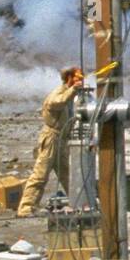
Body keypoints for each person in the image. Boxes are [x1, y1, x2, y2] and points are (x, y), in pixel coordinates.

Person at [16, 66, 83, 217]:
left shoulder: (70, 95)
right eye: (77, 78)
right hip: (52, 139)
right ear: (69, 78)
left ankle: (79, 202)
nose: (80, 80)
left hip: (62, 139)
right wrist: (73, 90)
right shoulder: (59, 93)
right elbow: (56, 103)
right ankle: (26, 208)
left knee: (67, 175)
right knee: (40, 174)